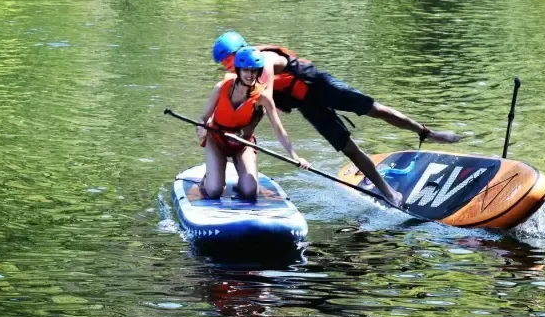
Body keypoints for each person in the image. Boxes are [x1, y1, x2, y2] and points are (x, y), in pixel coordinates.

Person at [211, 32, 460, 207]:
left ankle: (425, 132)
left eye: (231, 59)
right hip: (307, 105)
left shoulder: (262, 60)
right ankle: (388, 192)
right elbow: (260, 108)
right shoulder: (244, 73)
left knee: (376, 110)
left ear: (241, 51)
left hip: (321, 86)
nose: (230, 66)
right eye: (225, 63)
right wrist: (243, 132)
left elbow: (265, 94)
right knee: (348, 148)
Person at [197, 45, 310, 200]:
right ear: (238, 70)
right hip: (217, 140)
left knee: (250, 193)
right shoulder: (221, 87)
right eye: (246, 70)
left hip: (242, 142)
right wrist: (201, 129)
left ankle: (241, 180)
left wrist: (295, 156)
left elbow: (279, 130)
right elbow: (203, 118)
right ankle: (207, 180)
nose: (250, 75)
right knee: (215, 191)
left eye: (254, 70)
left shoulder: (262, 96)